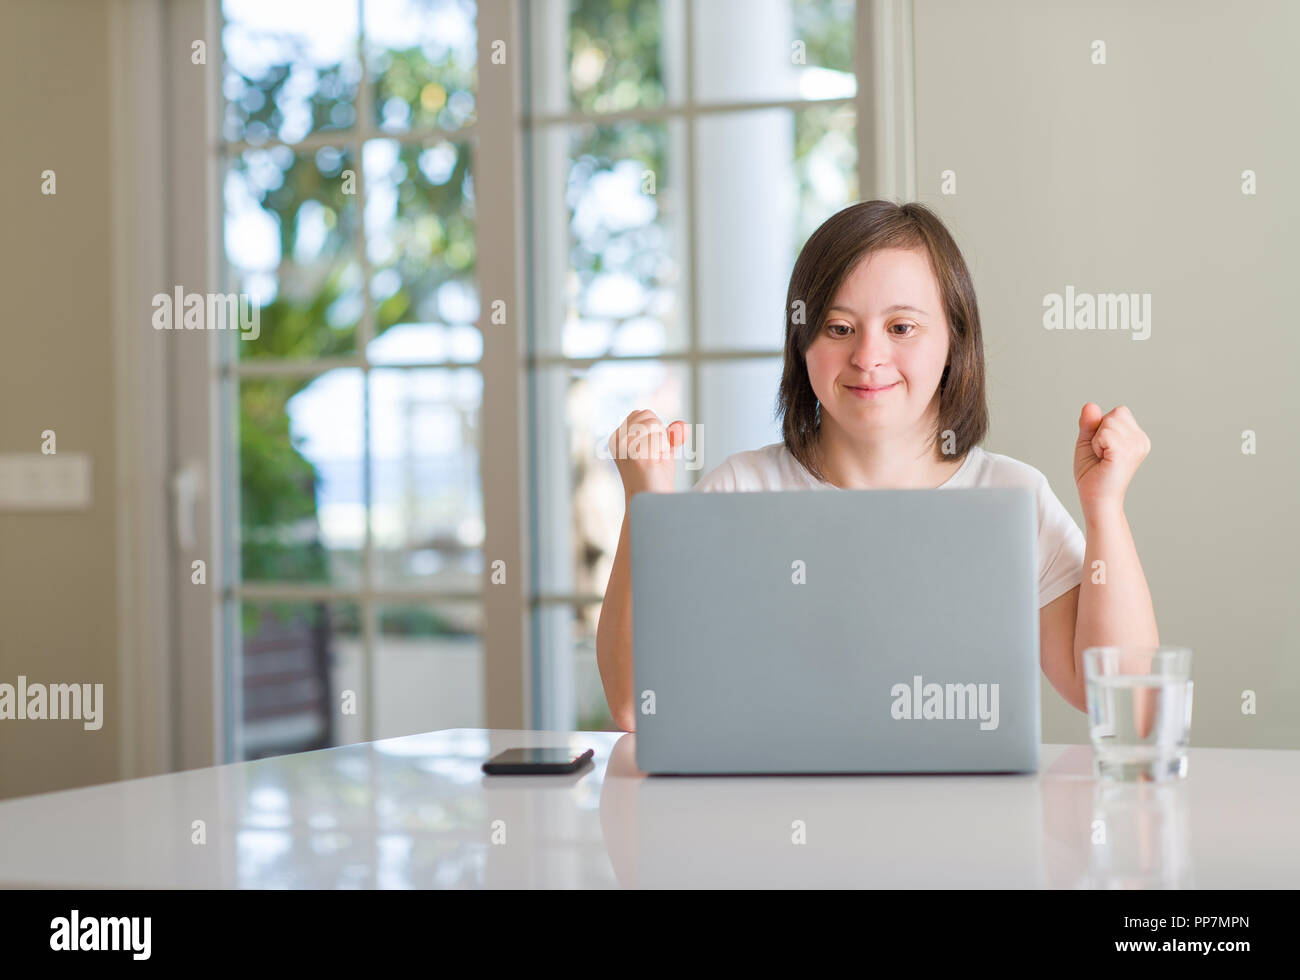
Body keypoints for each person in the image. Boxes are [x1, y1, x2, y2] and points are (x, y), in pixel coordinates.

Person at [596, 200, 1158, 734]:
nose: (868, 357)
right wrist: (647, 503)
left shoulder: (1013, 496)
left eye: (902, 328)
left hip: (968, 831)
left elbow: (1126, 709)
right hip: (780, 826)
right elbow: (635, 705)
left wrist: (1104, 509)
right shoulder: (743, 489)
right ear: (803, 344)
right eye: (839, 329)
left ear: (954, 340)